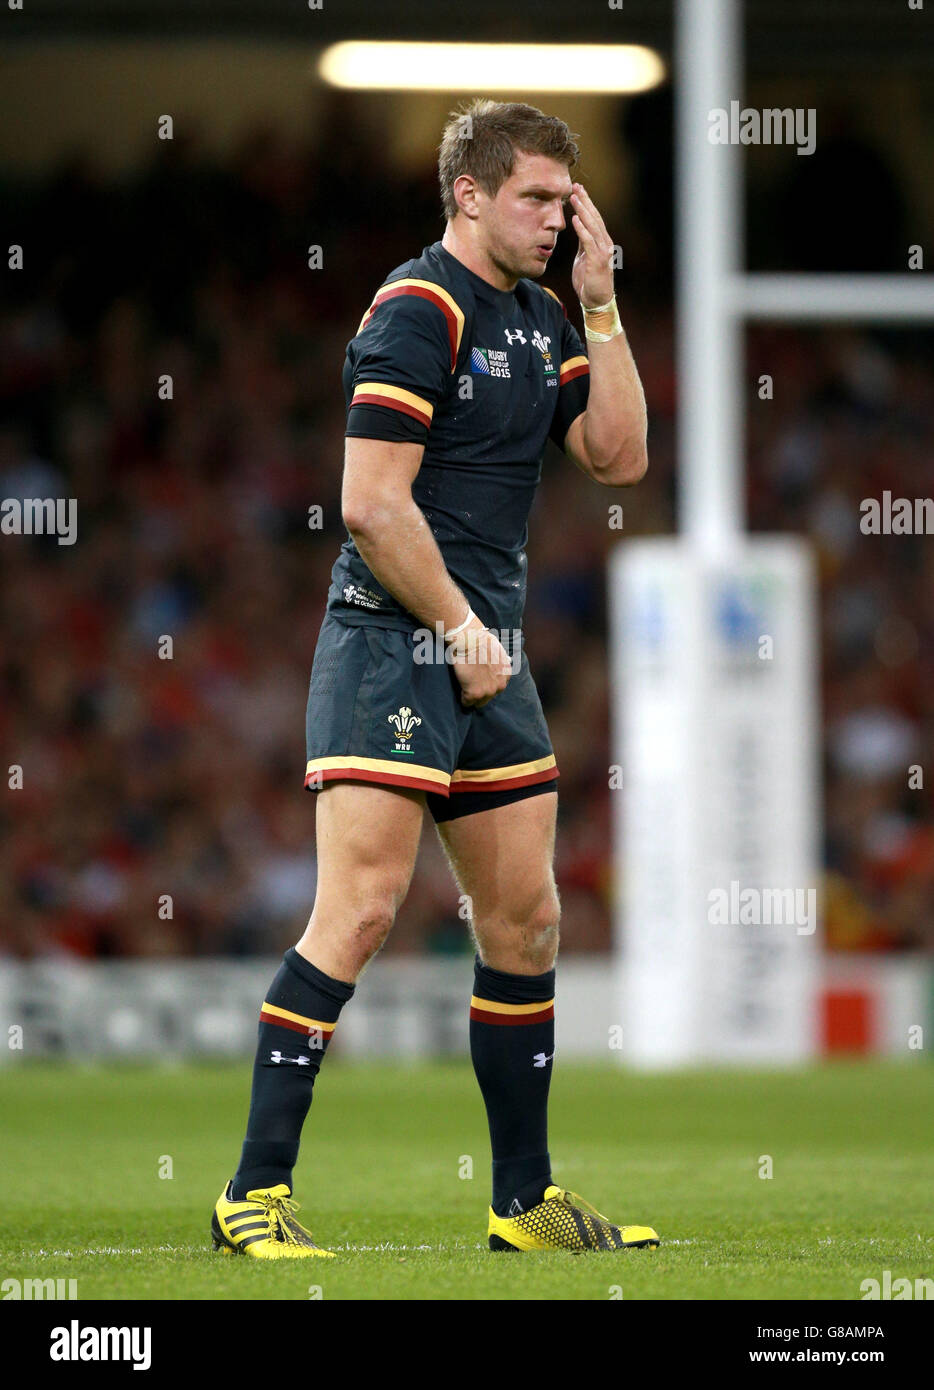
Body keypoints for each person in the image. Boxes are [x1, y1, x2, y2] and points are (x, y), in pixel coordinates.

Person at [212, 99, 656, 1257]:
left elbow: (618, 455)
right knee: (358, 912)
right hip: (395, 637)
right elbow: (369, 502)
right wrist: (458, 628)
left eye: (567, 200)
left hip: (481, 646)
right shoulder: (419, 308)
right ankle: (249, 1194)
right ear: (468, 193)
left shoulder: (543, 312)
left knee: (525, 920)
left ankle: (523, 1202)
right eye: (537, 199)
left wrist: (602, 306)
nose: (559, 220)